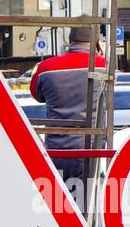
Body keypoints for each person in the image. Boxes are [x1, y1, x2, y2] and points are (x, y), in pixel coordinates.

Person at [28, 25, 109, 207]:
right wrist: (102, 54)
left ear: (70, 41)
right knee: (86, 208)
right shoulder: (104, 67)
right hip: (90, 151)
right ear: (96, 43)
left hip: (57, 151)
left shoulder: (46, 67)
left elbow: (36, 94)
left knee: (57, 208)